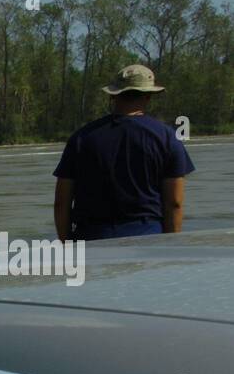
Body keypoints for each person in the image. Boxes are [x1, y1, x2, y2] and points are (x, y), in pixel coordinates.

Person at [54, 64, 195, 242]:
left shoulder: (81, 138)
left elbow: (62, 202)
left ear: (114, 95)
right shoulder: (167, 138)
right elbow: (174, 203)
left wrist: (68, 245)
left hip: (92, 238)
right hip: (147, 236)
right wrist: (170, 245)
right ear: (148, 96)